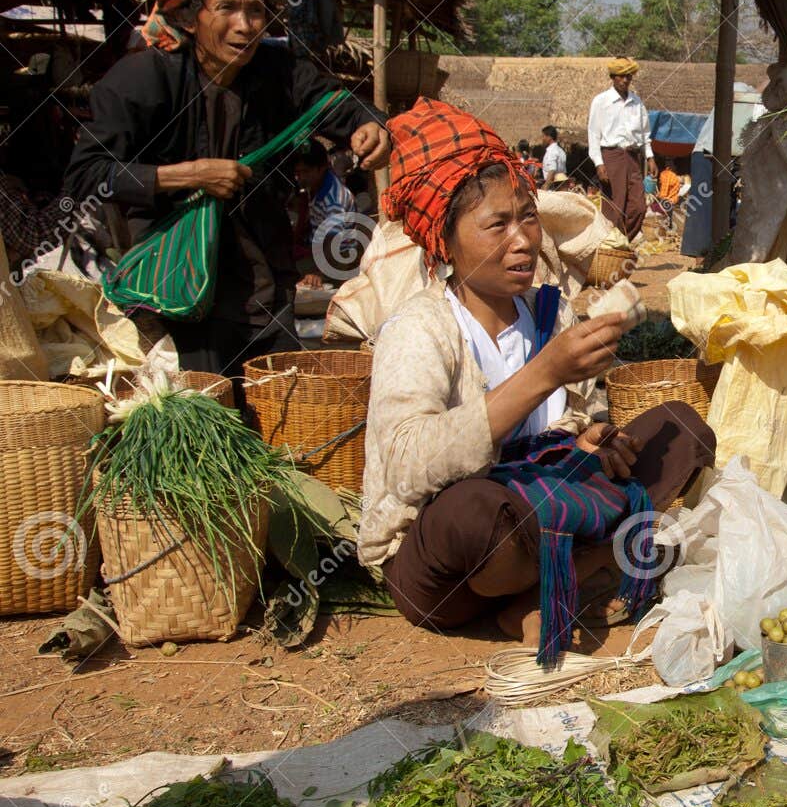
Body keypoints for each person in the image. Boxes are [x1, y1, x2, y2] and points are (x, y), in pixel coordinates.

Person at [359, 99, 716, 654]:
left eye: (526, 215)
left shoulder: (550, 312)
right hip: (454, 569)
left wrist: (596, 438)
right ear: (445, 241)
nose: (523, 239)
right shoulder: (420, 328)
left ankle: (547, 589)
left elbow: (578, 421)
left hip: (547, 509)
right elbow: (407, 469)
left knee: (681, 430)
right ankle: (578, 573)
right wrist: (543, 374)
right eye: (496, 225)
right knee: (476, 513)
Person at [65, 0, 389, 375]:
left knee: (279, 402)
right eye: (227, 9)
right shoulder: (140, 80)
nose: (246, 25)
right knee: (202, 407)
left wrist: (370, 125)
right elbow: (87, 175)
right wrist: (190, 175)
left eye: (255, 10)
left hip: (263, 282)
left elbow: (336, 105)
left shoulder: (280, 71)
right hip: (176, 289)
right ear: (187, 16)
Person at [586, 59, 655, 239]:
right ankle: (609, 246)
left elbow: (644, 133)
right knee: (614, 207)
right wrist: (599, 164)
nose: (625, 80)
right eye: (621, 76)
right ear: (613, 77)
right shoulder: (601, 101)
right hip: (611, 156)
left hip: (632, 157)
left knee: (639, 207)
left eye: (628, 76)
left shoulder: (637, 102)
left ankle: (622, 240)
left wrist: (650, 157)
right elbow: (593, 135)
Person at [290, 139, 356, 288]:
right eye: (297, 173)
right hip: (320, 250)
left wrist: (318, 273)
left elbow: (334, 243)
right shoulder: (316, 186)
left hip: (339, 257)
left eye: (306, 172)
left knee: (289, 272)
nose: (300, 178)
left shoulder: (333, 200)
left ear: (321, 168)